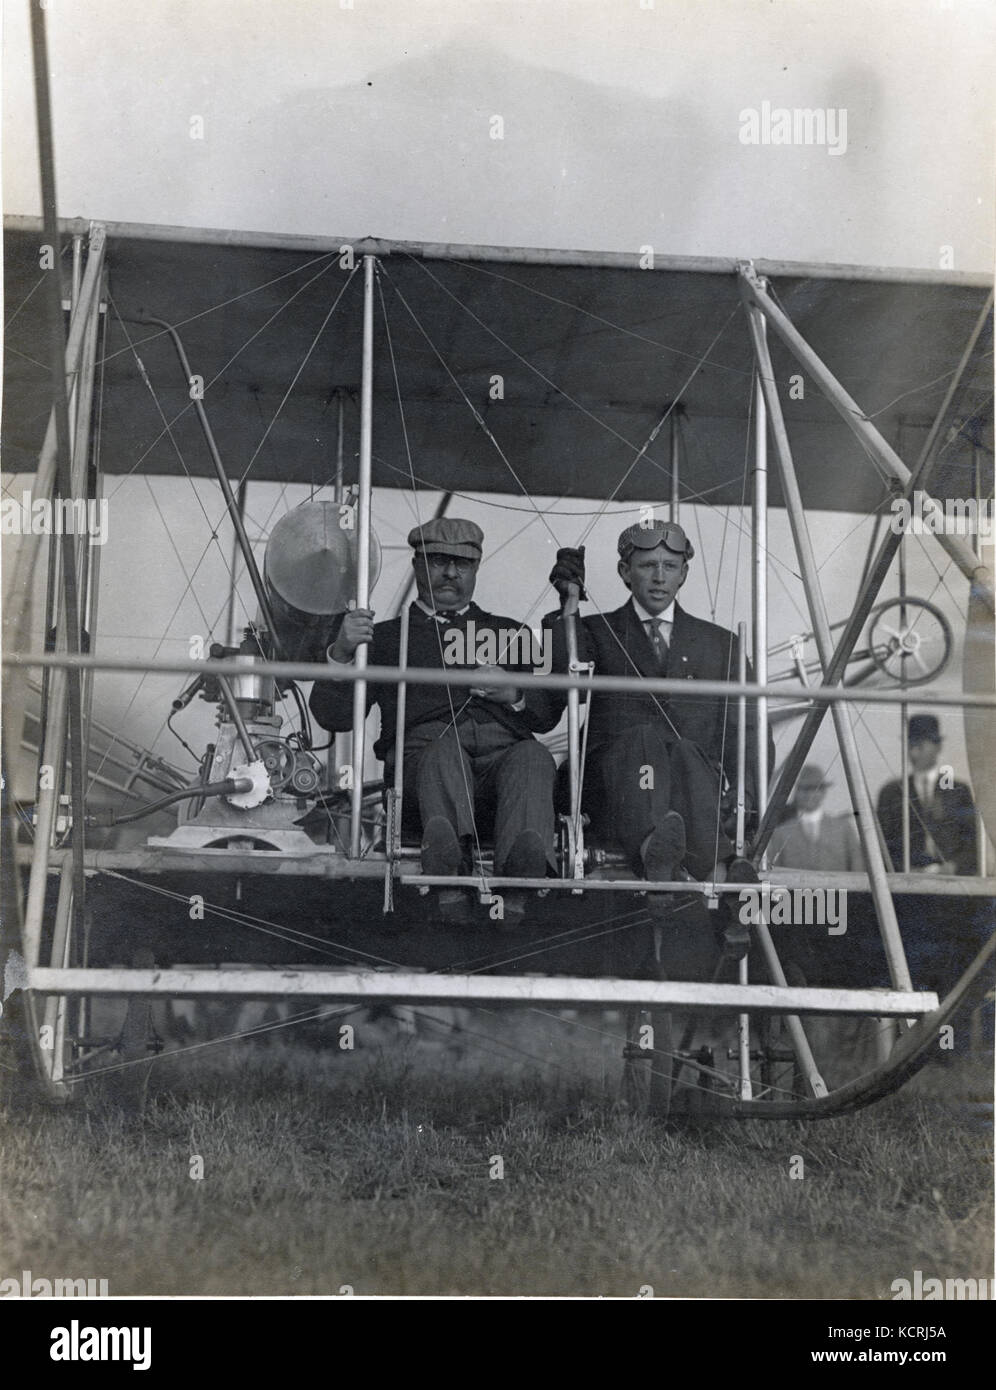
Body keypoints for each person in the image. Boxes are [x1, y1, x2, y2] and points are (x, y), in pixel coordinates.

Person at [310, 518, 557, 927]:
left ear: (476, 568)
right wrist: (341, 651)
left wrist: (514, 693)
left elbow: (547, 715)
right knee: (442, 750)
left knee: (533, 754)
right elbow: (332, 717)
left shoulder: (509, 633)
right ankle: (447, 864)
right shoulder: (385, 638)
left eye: (461, 564)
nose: (449, 573)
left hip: (502, 762)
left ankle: (520, 878)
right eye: (437, 561)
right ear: (416, 565)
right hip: (426, 763)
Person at [542, 520, 767, 954]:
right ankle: (676, 859)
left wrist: (748, 796)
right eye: (647, 565)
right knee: (643, 740)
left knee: (686, 752)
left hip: (691, 793)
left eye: (670, 565)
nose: (659, 577)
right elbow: (558, 688)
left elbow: (749, 730)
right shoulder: (594, 631)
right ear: (626, 572)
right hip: (616, 793)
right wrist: (567, 609)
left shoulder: (721, 645)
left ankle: (718, 876)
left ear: (684, 572)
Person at [876, 714, 977, 876]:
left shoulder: (958, 790)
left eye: (921, 745)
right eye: (911, 745)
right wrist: (905, 871)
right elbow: (881, 845)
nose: (914, 752)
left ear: (938, 747)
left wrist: (953, 866)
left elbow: (972, 842)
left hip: (952, 885)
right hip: (906, 884)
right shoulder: (891, 792)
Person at [767, 763, 864, 872]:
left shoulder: (844, 829)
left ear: (823, 792)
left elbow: (858, 870)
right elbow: (774, 875)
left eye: (815, 789)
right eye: (805, 789)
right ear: (797, 792)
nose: (809, 795)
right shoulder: (780, 834)